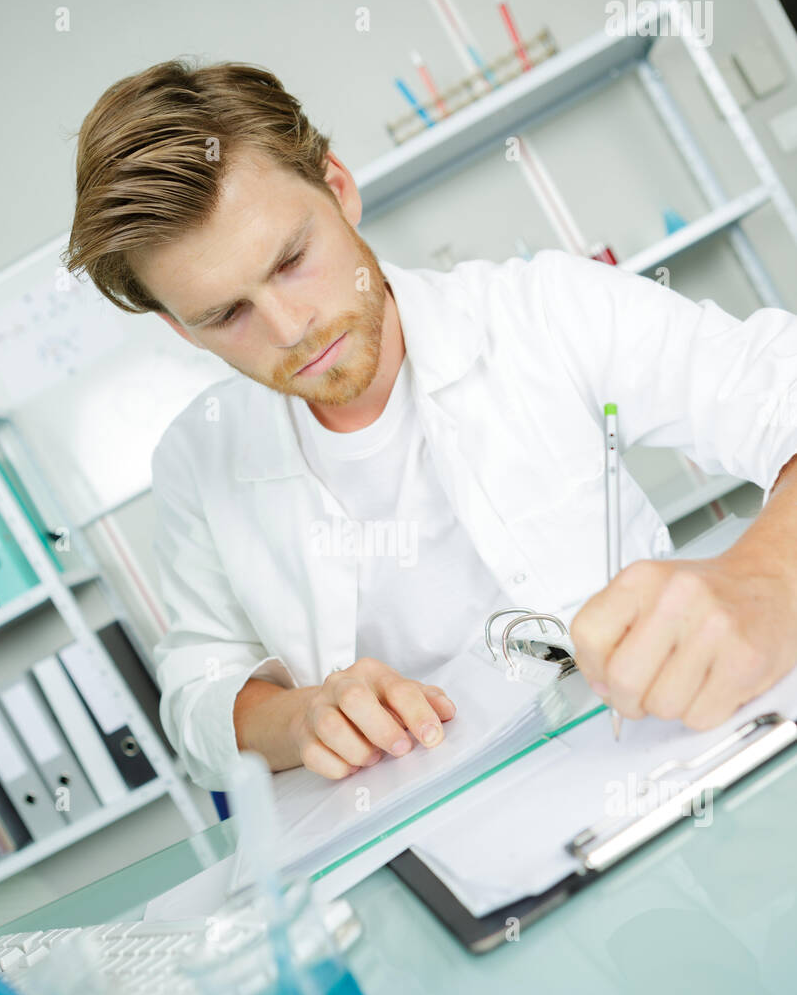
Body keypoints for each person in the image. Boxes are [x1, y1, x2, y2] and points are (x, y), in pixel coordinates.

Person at [63, 59, 797, 789]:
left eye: (291, 260)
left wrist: (762, 579)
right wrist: (305, 716)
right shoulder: (198, 457)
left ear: (338, 188)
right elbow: (199, 693)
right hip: (443, 833)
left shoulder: (543, 309)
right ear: (184, 331)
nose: (291, 329)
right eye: (227, 314)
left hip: (665, 757)